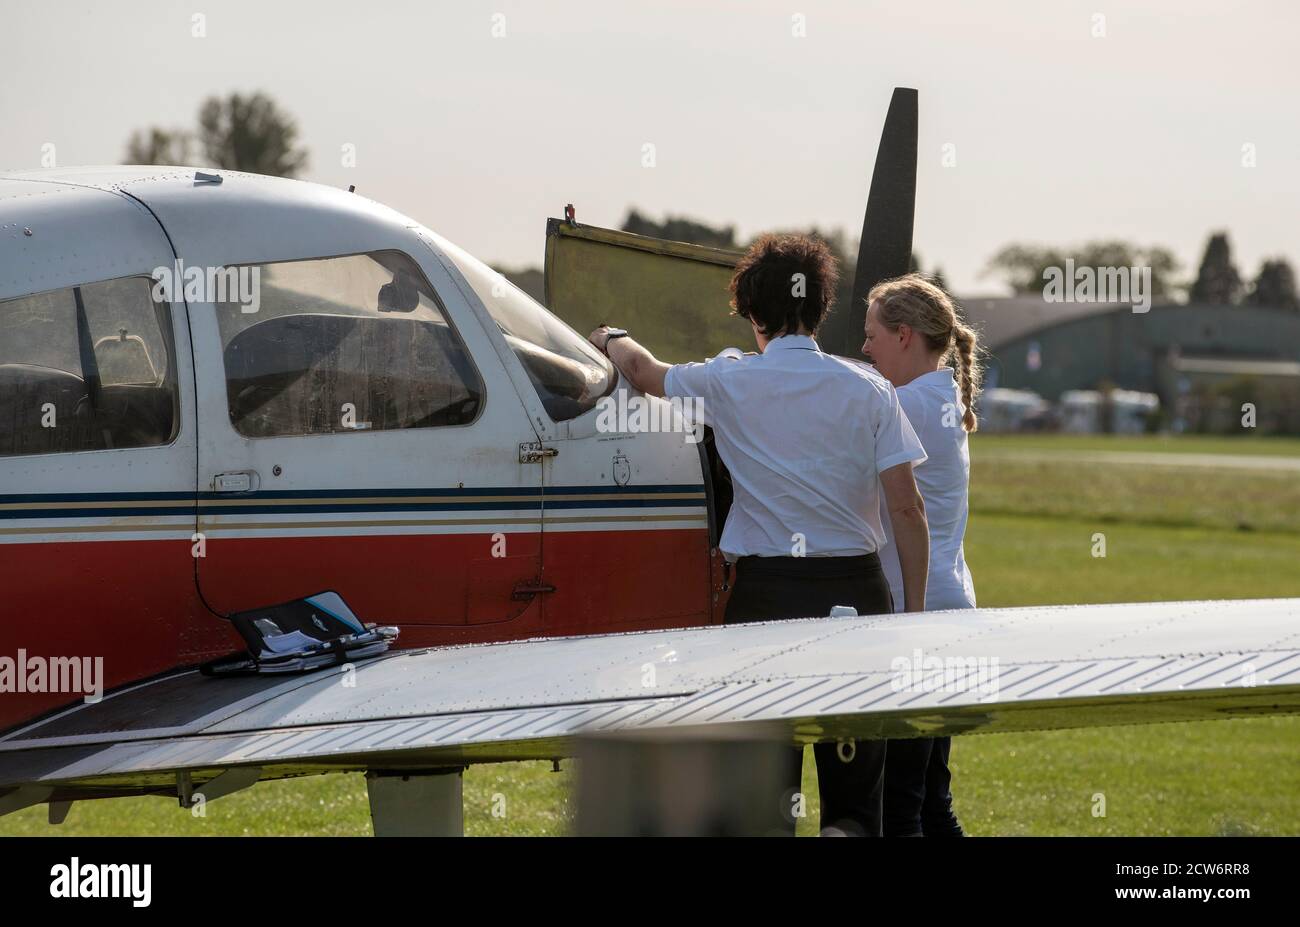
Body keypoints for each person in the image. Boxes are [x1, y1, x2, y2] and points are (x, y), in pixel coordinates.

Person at [588, 233, 931, 836]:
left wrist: (608, 336)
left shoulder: (728, 381)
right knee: (854, 806)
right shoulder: (869, 388)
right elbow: (908, 510)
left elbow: (642, 371)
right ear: (821, 308)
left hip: (766, 599)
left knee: (764, 802)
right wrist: (915, 614)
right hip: (857, 594)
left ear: (753, 314)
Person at [863, 273, 981, 837]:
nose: (864, 349)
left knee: (901, 807)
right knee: (932, 801)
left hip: (917, 614)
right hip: (949, 607)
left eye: (872, 337)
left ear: (904, 335)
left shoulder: (901, 404)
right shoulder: (940, 397)